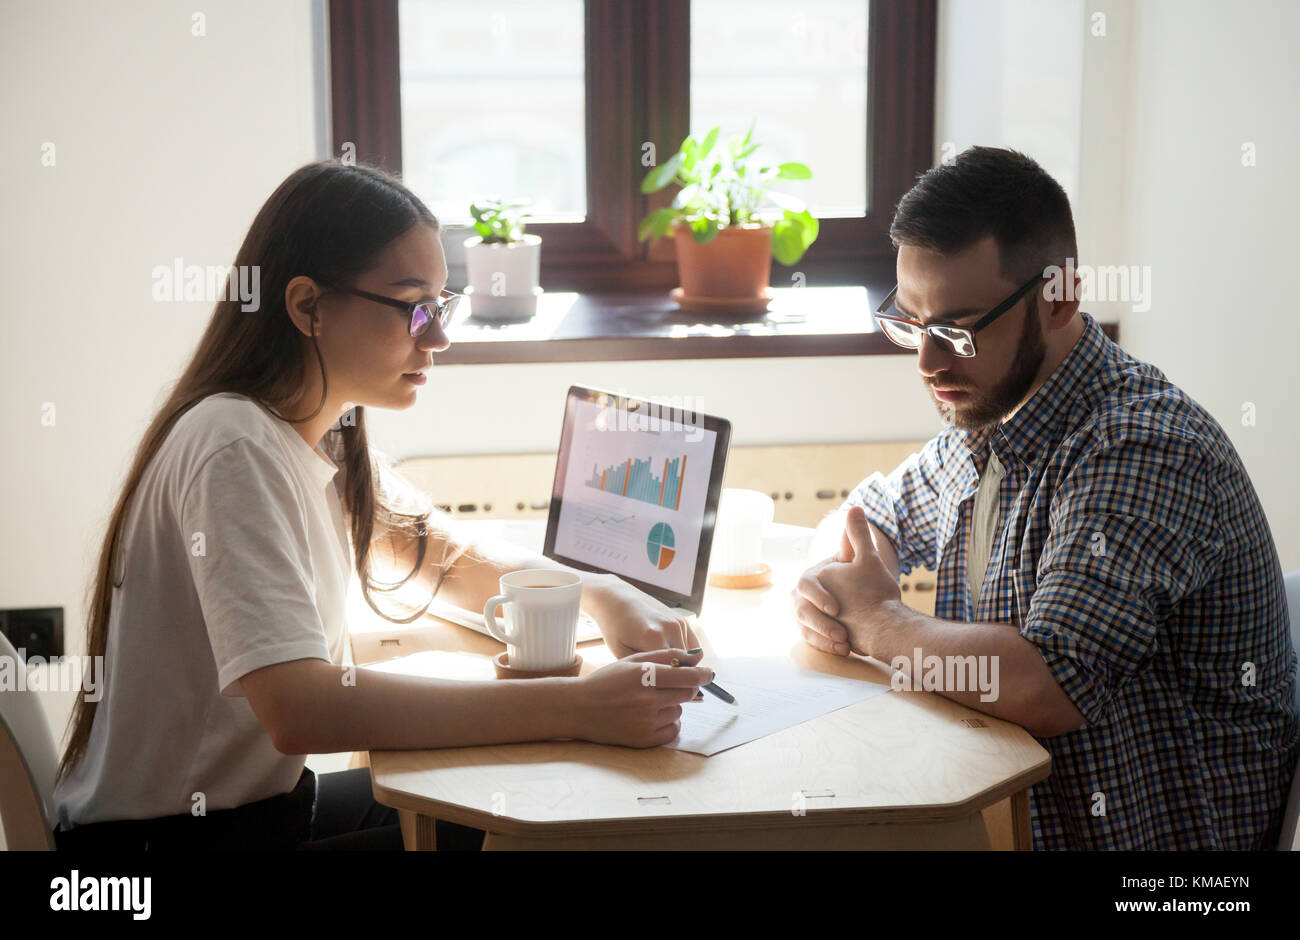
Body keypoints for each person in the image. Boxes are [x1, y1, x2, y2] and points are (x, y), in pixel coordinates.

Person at [51, 160, 712, 850]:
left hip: (253, 815)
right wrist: (575, 709)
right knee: (528, 834)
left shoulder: (318, 428)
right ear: (307, 306)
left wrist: (601, 594)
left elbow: (440, 554)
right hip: (157, 854)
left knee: (500, 796)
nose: (437, 338)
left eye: (440, 305)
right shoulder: (234, 445)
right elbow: (302, 709)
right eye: (410, 307)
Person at [792, 146, 1299, 850]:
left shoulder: (1143, 449)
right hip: (1019, 813)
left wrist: (874, 618)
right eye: (912, 322)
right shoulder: (993, 414)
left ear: (1058, 296)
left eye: (958, 329)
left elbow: (1047, 683)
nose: (928, 363)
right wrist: (834, 585)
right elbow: (872, 510)